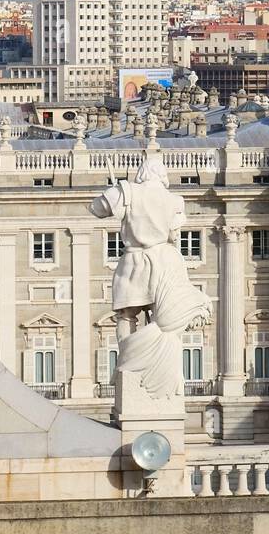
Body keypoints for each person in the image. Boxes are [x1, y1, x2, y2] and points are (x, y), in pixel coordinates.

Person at [89, 154, 210, 397]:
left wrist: (115, 193)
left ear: (141, 173)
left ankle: (128, 367)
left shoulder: (127, 192)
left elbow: (96, 209)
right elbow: (175, 236)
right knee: (164, 319)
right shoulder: (175, 201)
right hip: (165, 261)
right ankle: (163, 373)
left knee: (126, 315)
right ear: (163, 176)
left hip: (134, 261)